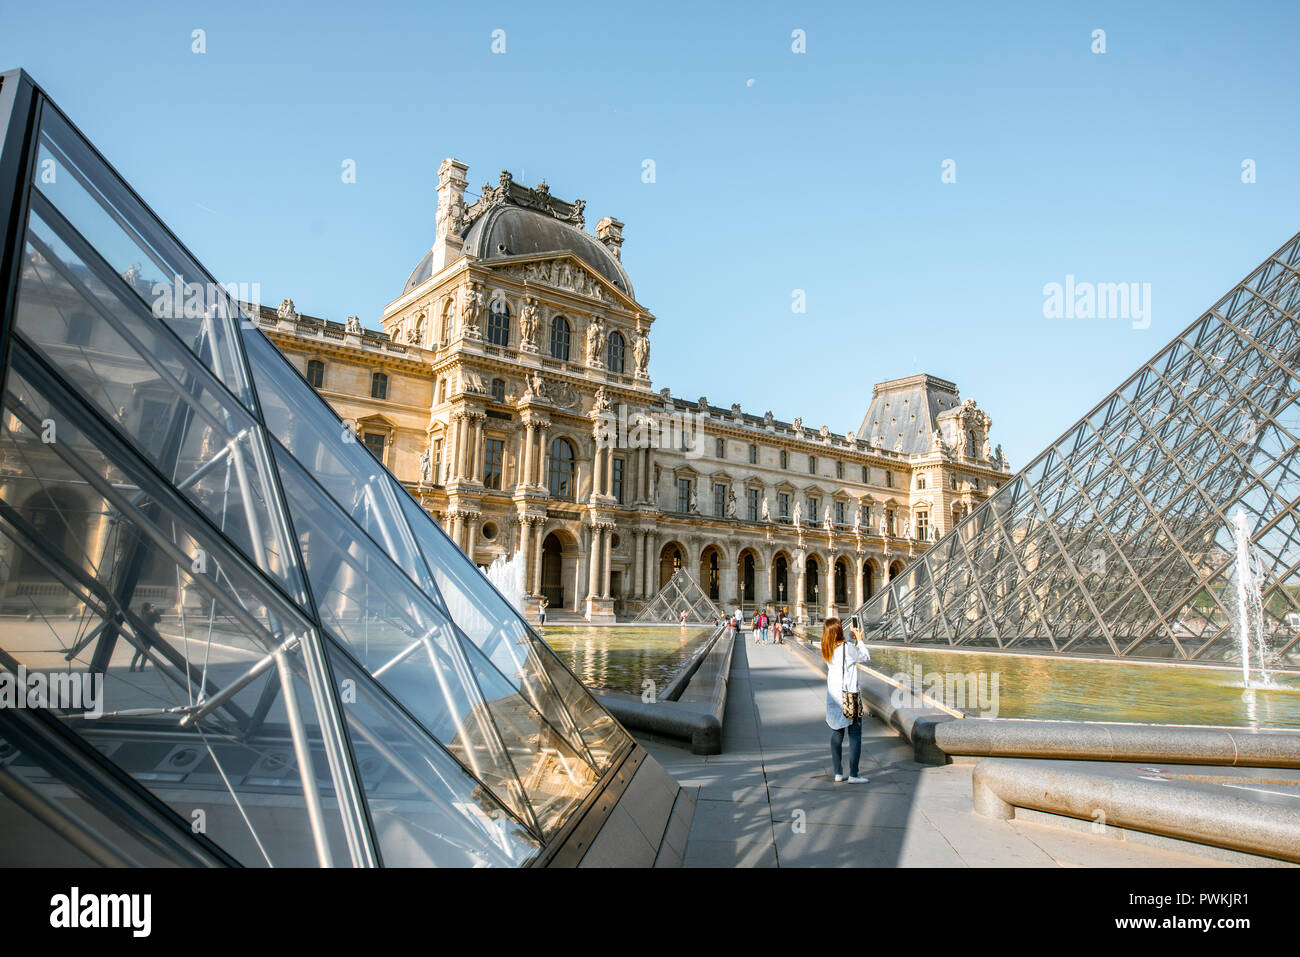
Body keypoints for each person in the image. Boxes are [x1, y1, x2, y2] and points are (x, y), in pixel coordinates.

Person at [822, 617, 870, 783]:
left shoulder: (827, 648)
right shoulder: (847, 648)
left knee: (837, 732)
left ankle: (837, 772)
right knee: (855, 734)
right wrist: (860, 640)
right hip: (849, 696)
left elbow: (842, 650)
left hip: (834, 697)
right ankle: (854, 775)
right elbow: (865, 657)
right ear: (838, 631)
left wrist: (850, 638)